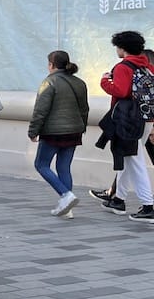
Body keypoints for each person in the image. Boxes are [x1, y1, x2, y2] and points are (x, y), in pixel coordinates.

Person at [99, 31, 154, 222]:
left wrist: (105, 82)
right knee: (128, 157)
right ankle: (118, 200)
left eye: (117, 46)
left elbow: (121, 91)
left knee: (135, 160)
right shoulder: (147, 66)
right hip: (146, 118)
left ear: (122, 48)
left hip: (129, 120)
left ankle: (148, 206)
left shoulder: (123, 67)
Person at [28, 50, 90, 219]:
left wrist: (33, 131)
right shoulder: (79, 82)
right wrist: (81, 126)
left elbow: (40, 110)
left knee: (41, 164)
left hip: (53, 132)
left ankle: (65, 195)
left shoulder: (49, 82)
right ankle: (67, 209)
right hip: (74, 131)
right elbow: (84, 109)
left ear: (52, 65)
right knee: (64, 167)